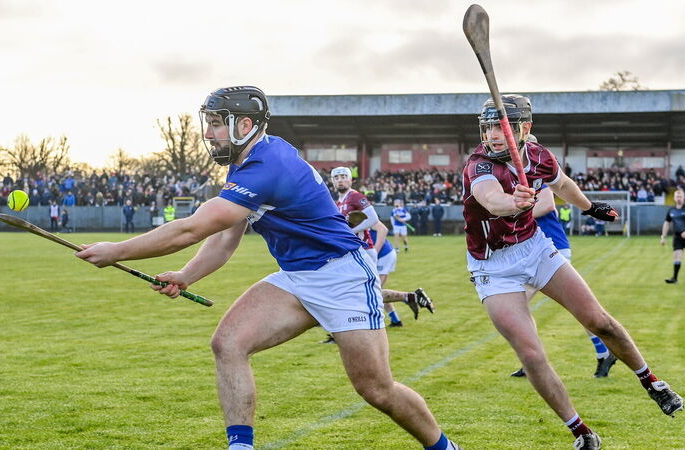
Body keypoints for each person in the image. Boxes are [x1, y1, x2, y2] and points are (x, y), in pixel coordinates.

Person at [76, 86, 459, 450]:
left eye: (216, 123)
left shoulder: (267, 166)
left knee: (376, 389)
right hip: (296, 278)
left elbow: (191, 228)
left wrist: (118, 251)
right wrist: (187, 275)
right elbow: (226, 238)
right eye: (208, 123)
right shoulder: (248, 163)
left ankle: (444, 446)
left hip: (343, 275)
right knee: (228, 344)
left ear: (244, 126)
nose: (209, 133)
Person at [463, 95, 682, 449]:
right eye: (488, 126)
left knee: (600, 322)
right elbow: (490, 199)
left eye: (501, 125)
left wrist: (591, 207)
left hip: (535, 248)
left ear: (524, 128)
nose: (494, 134)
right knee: (531, 354)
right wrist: (513, 202)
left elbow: (562, 185)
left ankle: (652, 381)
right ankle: (581, 431)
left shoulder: (538, 155)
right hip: (493, 267)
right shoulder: (479, 165)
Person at [509, 185, 616, 379]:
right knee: (519, 306)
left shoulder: (536, 177)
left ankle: (534, 360)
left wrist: (513, 215)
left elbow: (548, 205)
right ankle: (533, 360)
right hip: (532, 254)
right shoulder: (510, 183)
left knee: (521, 304)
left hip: (553, 248)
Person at [330, 166, 434, 329]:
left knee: (366, 293)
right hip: (358, 252)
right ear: (332, 181)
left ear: (351, 180)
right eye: (336, 177)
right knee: (362, 291)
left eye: (344, 176)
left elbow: (375, 221)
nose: (340, 179)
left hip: (372, 251)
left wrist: (351, 234)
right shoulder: (338, 203)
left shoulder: (356, 197)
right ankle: (398, 312)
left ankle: (368, 324)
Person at [661, 188, 685, 284]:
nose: (679, 198)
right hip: (677, 237)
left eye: (680, 196)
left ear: (684, 198)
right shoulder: (671, 210)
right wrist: (663, 237)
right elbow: (666, 223)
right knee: (677, 256)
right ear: (674, 198)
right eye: (677, 196)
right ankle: (675, 278)